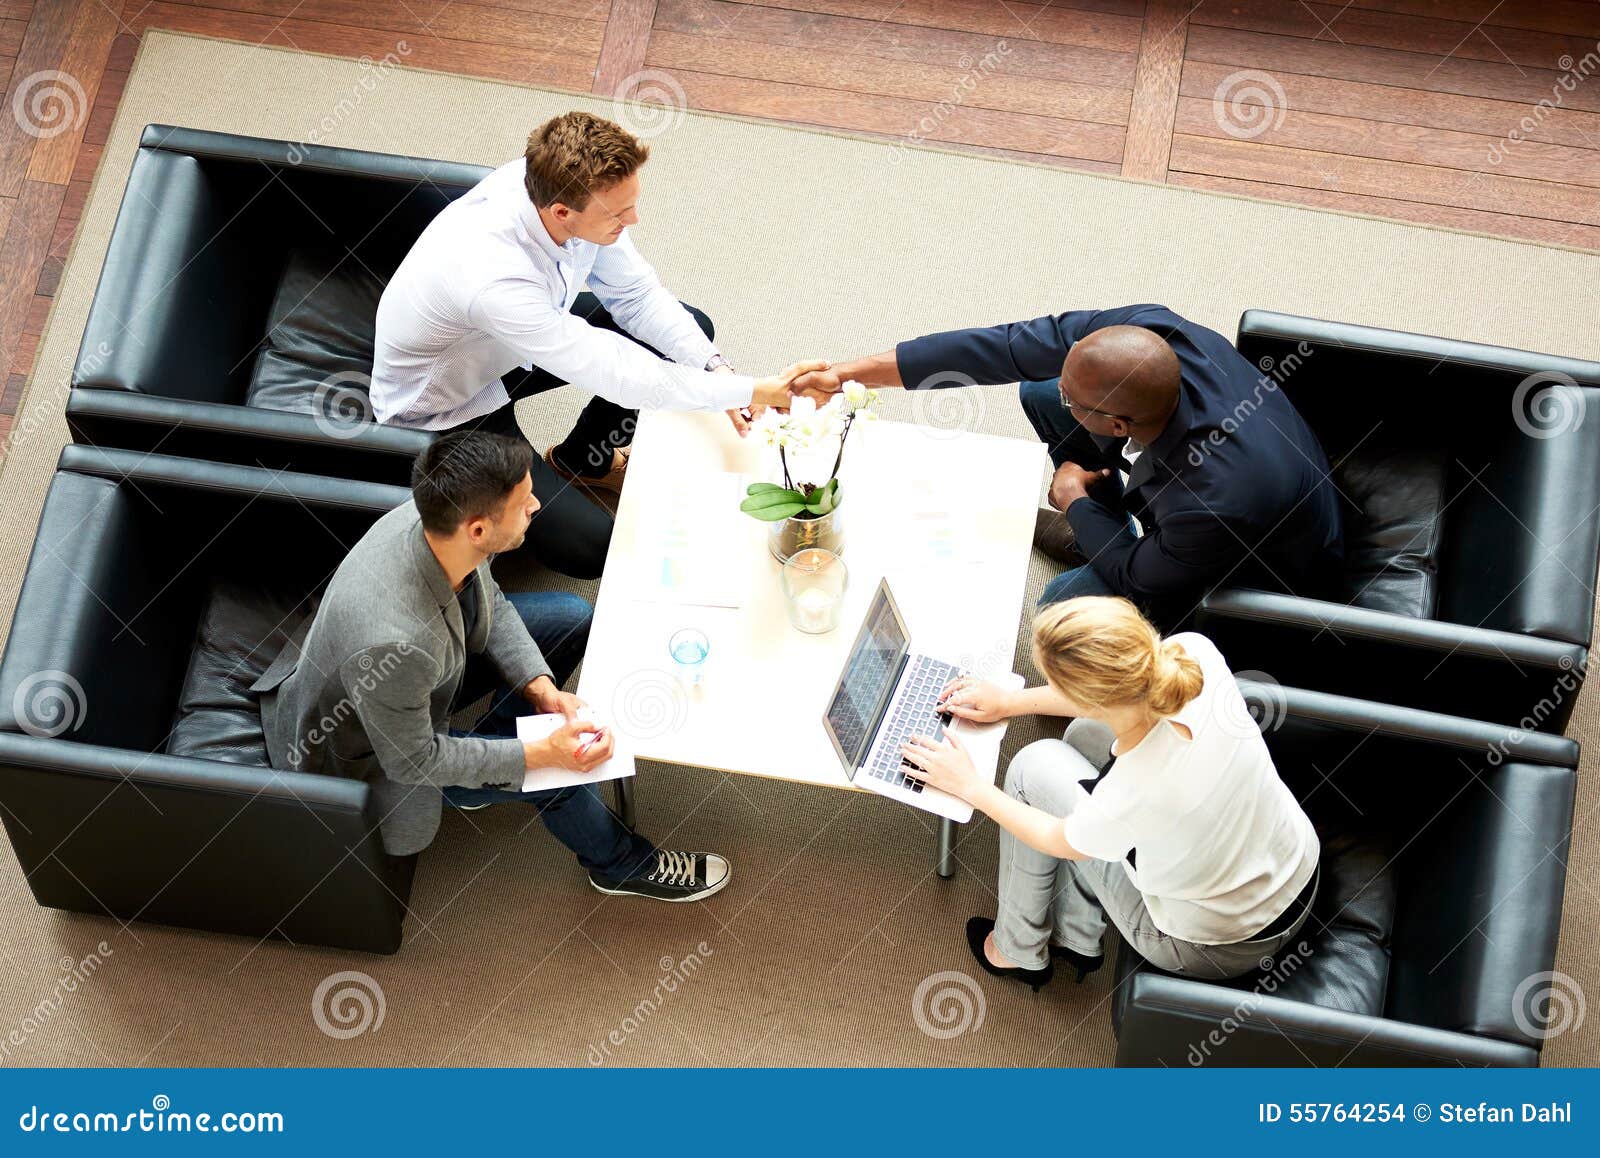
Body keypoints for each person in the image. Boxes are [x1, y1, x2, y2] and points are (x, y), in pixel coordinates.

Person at [252, 430, 731, 903]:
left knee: (571, 618)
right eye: (524, 503)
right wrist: (541, 755)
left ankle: (498, 749)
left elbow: (491, 602)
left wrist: (540, 688)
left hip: (425, 675)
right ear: (478, 529)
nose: (538, 506)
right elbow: (411, 760)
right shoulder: (394, 643)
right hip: (367, 751)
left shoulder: (437, 518)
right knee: (555, 777)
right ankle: (621, 865)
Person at [371, 110, 818, 579]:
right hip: (447, 405)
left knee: (692, 331)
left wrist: (718, 372)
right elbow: (618, 373)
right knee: (591, 547)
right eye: (620, 214)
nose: (635, 219)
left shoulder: (559, 192)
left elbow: (637, 295)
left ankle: (583, 458)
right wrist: (751, 391)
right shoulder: (493, 277)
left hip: (513, 350)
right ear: (562, 212)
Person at [792, 305, 1342, 628]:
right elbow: (1006, 349)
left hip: (1258, 571)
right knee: (1038, 392)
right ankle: (1098, 525)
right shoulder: (1152, 329)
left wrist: (1074, 496)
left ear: (1121, 425)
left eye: (1078, 399)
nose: (1065, 392)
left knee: (1062, 607)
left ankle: (1092, 522)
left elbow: (1136, 575)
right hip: (1204, 492)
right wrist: (845, 376)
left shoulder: (1213, 499)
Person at [899, 596, 1320, 990]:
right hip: (1295, 866)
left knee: (1032, 767)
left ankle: (1016, 948)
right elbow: (1116, 699)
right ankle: (1077, 935)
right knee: (1086, 735)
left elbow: (1058, 839)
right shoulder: (1193, 652)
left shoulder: (1135, 788)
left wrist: (969, 786)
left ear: (1089, 695)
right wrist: (1009, 702)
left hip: (1220, 945)